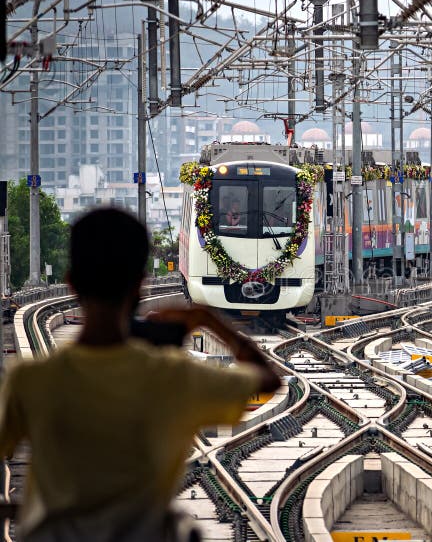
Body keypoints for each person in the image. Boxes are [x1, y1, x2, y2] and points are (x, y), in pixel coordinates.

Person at [0, 208, 281, 541]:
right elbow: (268, 380)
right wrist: (208, 319)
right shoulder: (175, 376)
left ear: (72, 282)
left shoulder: (32, 380)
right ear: (140, 286)